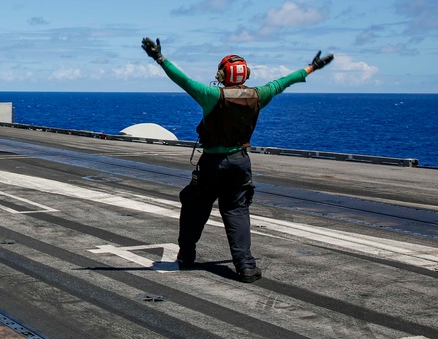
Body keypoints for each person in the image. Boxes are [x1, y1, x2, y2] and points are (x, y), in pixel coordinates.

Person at [141, 37, 333, 283]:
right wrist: (312, 67)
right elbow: (284, 81)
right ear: (246, 74)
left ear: (222, 75)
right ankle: (246, 266)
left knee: (194, 206)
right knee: (237, 211)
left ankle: (187, 255)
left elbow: (183, 80)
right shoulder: (258, 95)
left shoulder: (212, 95)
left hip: (212, 163)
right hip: (240, 162)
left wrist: (159, 58)